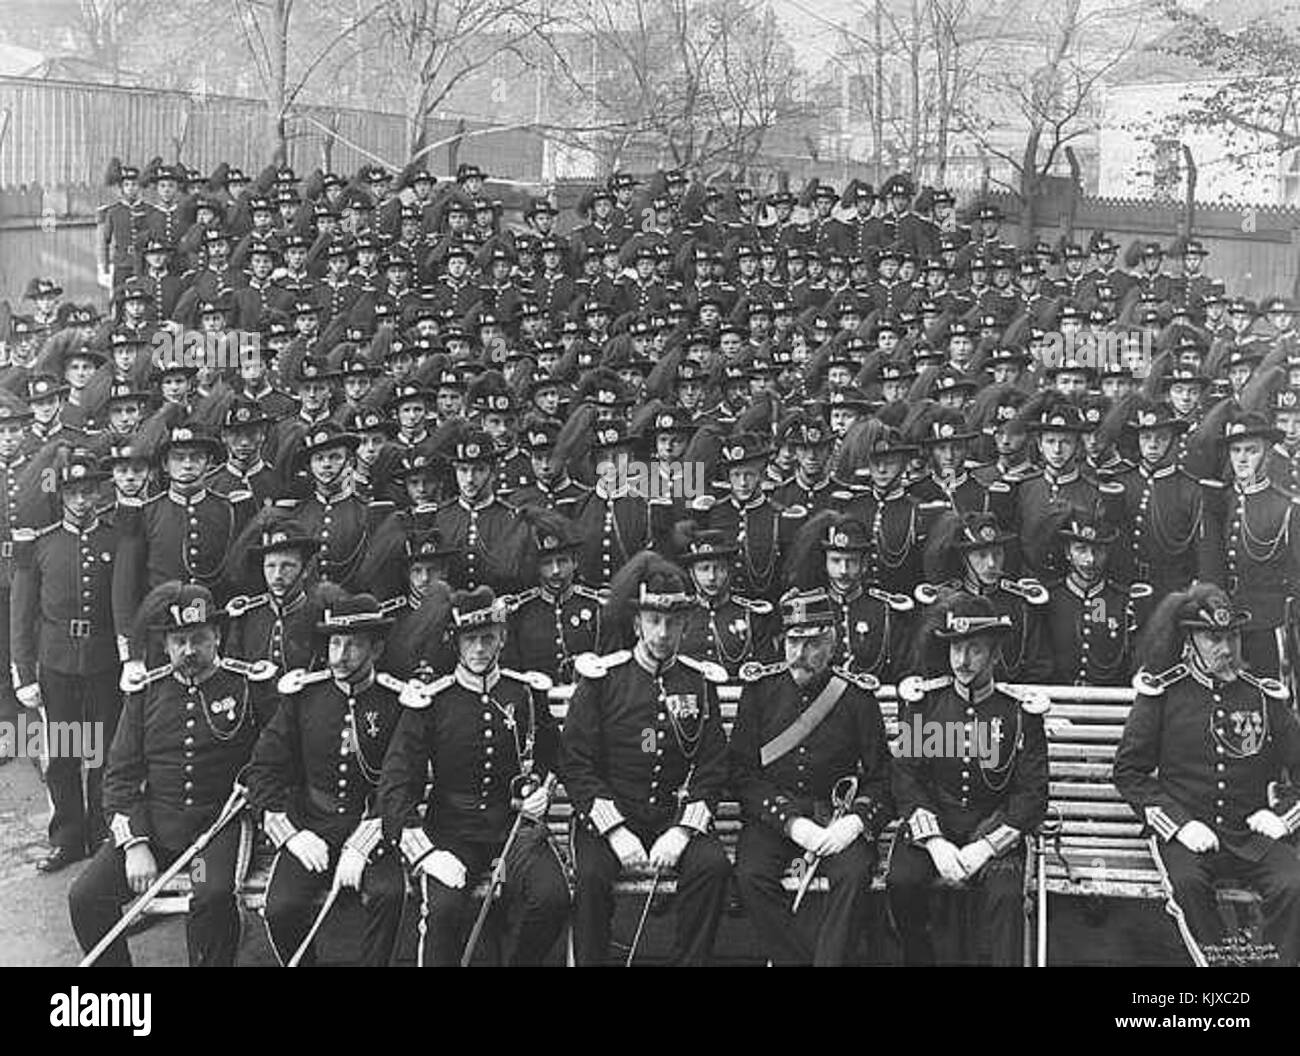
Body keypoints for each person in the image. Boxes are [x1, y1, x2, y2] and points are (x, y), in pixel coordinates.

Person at [68, 582, 271, 967]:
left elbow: (275, 759)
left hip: (213, 833)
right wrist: (135, 844)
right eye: (179, 641)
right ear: (165, 644)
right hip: (156, 830)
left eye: (199, 639)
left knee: (208, 894)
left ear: (217, 636)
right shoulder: (146, 693)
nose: (189, 650)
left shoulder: (246, 686)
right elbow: (120, 777)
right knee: (86, 897)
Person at [380, 586, 569, 966]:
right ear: (456, 643)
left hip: (514, 831)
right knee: (444, 911)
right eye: (470, 640)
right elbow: (397, 782)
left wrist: (542, 791)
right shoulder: (432, 702)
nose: (479, 649)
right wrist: (425, 853)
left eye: (487, 638)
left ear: (501, 638)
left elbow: (556, 756)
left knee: (552, 899)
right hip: (451, 833)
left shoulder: (524, 693)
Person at [1114, 583, 1300, 966]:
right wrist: (1179, 824)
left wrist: (1283, 816)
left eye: (1232, 636)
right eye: (1213, 638)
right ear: (1189, 640)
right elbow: (1129, 773)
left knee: (1293, 884)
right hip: (1187, 837)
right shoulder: (1163, 693)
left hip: (1250, 835)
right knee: (1187, 886)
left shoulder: (1263, 696)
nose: (1226, 649)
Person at [561, 552, 732, 966]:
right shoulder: (604, 680)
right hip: (610, 815)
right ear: (637, 623)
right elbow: (576, 763)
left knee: (712, 867)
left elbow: (712, 765)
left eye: (672, 623)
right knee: (591, 876)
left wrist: (683, 831)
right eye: (654, 621)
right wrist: (615, 830)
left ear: (685, 625)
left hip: (672, 815)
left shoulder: (698, 682)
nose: (662, 633)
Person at [730, 588, 894, 965]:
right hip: (774, 820)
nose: (799, 654)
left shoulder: (856, 697)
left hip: (835, 817)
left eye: (812, 644)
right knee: (750, 876)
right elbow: (742, 774)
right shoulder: (760, 692)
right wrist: (790, 822)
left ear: (832, 644)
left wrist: (855, 822)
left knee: (853, 874)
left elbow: (882, 776)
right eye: (793, 642)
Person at [887, 590, 1049, 966]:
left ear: (994, 655)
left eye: (974, 649)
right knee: (901, 881)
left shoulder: (1019, 713)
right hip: (935, 821)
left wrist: (987, 847)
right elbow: (906, 778)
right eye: (956, 648)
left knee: (1006, 895)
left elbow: (1032, 793)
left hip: (994, 825)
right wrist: (934, 842)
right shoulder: (924, 705)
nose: (962, 660)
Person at [246, 591, 408, 967]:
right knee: (280, 908)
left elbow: (401, 783)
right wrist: (291, 834)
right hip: (311, 824)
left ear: (377, 649)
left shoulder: (396, 702)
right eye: (335, 643)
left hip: (372, 824)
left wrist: (364, 843)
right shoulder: (304, 697)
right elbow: (263, 769)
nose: (340, 656)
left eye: (353, 645)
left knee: (389, 895)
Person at [11, 452, 122, 871]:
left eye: (88, 492)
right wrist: (24, 672)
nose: (80, 500)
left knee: (103, 751)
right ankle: (68, 837)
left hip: (104, 661)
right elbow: (21, 615)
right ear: (61, 496)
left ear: (97, 494)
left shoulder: (115, 540)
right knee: (63, 753)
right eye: (73, 493)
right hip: (57, 663)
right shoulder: (41, 545)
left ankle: (102, 830)